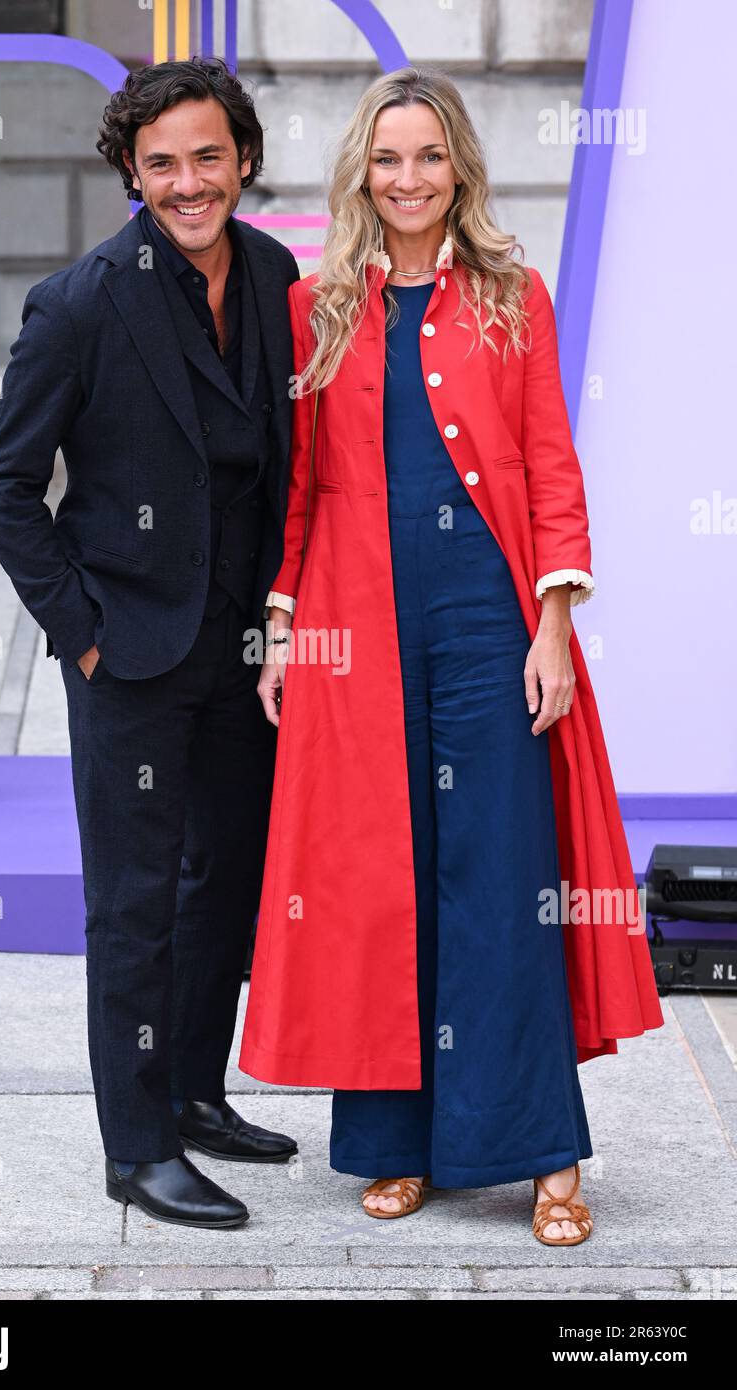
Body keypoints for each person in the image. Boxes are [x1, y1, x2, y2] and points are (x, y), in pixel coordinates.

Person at [240, 66, 664, 1244]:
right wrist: (283, 624)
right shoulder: (317, 305)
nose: (409, 178)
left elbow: (547, 464)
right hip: (357, 634)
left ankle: (539, 1151)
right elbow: (304, 489)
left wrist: (553, 626)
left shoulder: (510, 295)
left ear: (460, 167)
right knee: (382, 884)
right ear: (360, 175)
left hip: (486, 626)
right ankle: (397, 1143)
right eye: (388, 158)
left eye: (429, 157)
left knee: (501, 882)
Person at [0, 58, 300, 1230]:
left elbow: (282, 467)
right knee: (134, 902)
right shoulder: (78, 301)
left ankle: (196, 1094)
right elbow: (8, 484)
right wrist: (84, 634)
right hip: (130, 650)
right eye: (160, 162)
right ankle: (139, 1146)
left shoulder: (272, 273)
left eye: (206, 156)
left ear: (244, 161)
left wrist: (279, 614)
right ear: (130, 172)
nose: (187, 181)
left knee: (225, 884)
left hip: (239, 652)